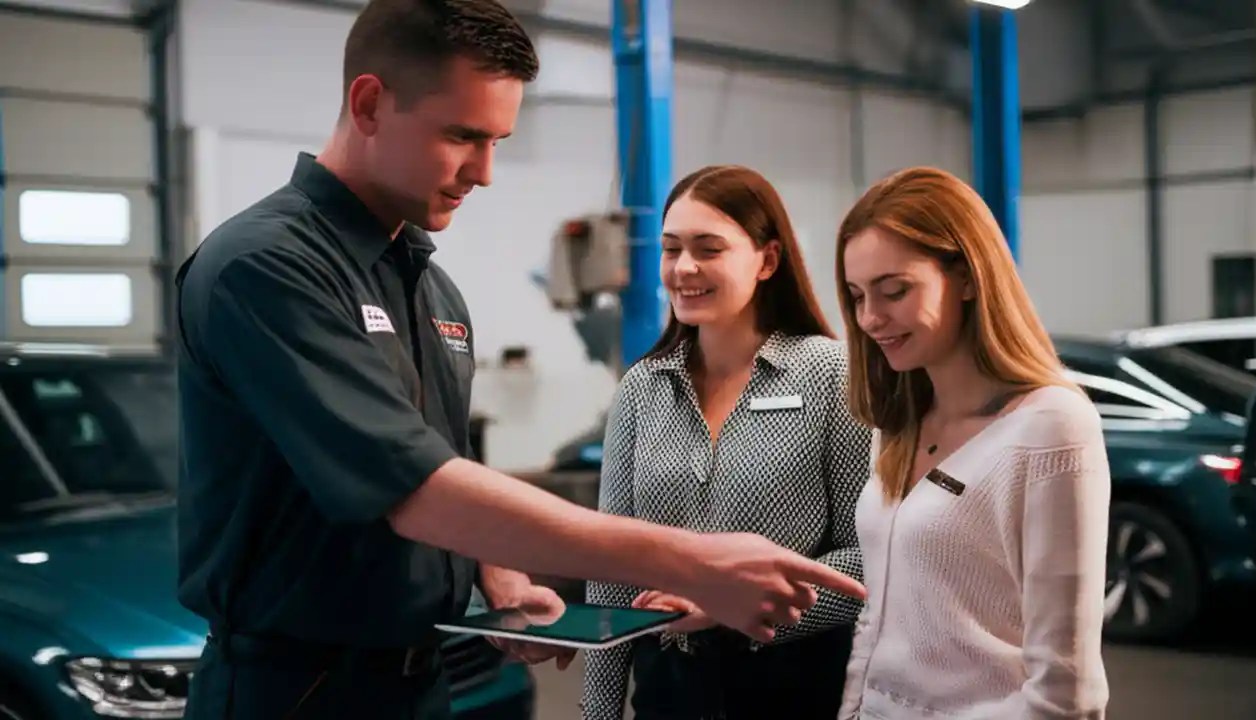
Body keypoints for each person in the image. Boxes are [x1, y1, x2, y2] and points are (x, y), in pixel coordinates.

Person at [172, 2, 865, 718]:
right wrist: (692, 561)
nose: (486, 172)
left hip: (424, 678)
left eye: (499, 140)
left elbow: (445, 464)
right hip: (297, 691)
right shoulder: (267, 269)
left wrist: (498, 575)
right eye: (464, 136)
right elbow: (419, 489)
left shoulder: (431, 290)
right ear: (371, 103)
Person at [580, 165, 874, 720]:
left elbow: (868, 560)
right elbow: (610, 566)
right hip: (667, 687)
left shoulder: (830, 376)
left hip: (792, 686)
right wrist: (598, 710)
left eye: (708, 248)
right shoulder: (643, 388)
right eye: (671, 249)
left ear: (767, 260)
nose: (684, 268)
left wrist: (735, 606)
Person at [834, 167, 1110, 719]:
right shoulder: (898, 420)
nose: (870, 318)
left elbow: (1066, 694)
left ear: (966, 277)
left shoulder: (1052, 427)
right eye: (857, 295)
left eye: (895, 291)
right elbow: (877, 622)